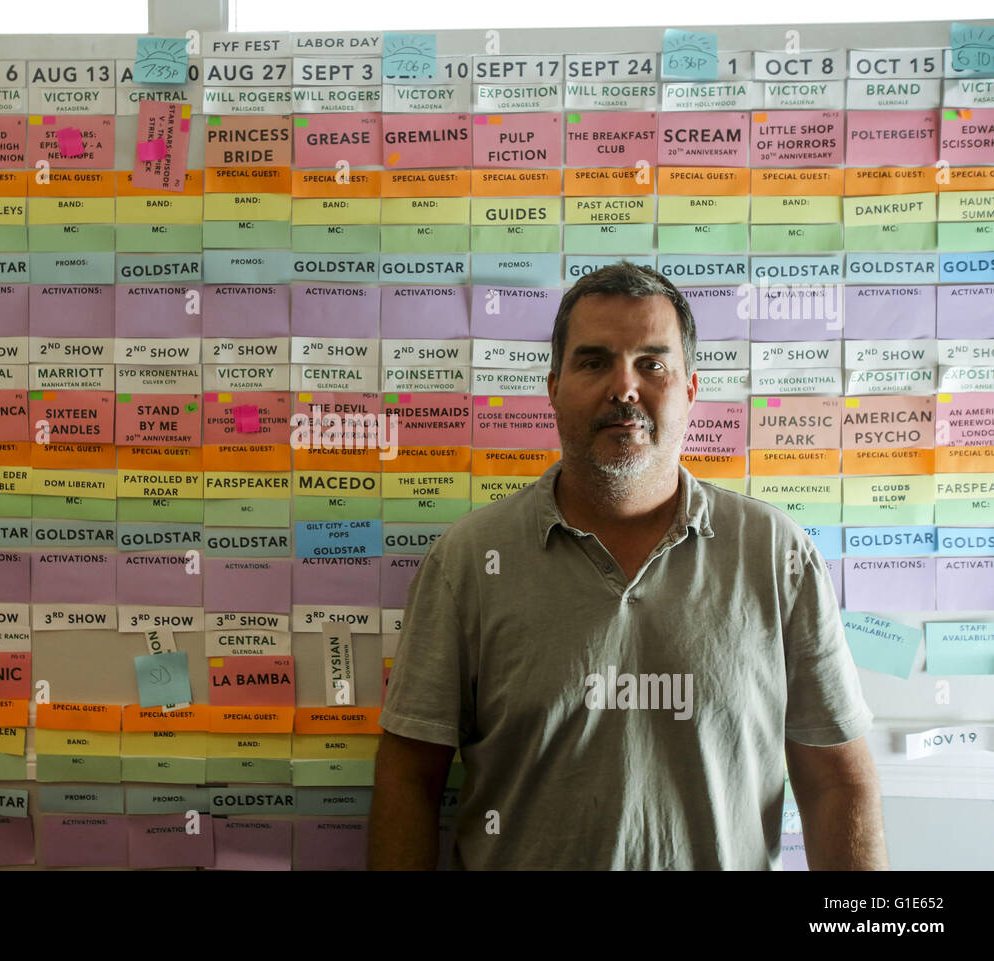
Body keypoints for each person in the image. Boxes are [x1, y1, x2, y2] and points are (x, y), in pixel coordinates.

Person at [368, 261, 887, 870]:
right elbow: (409, 776)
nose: (624, 388)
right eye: (593, 362)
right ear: (553, 387)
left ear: (690, 388)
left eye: (652, 362)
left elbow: (836, 783)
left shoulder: (778, 556)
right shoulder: (466, 562)